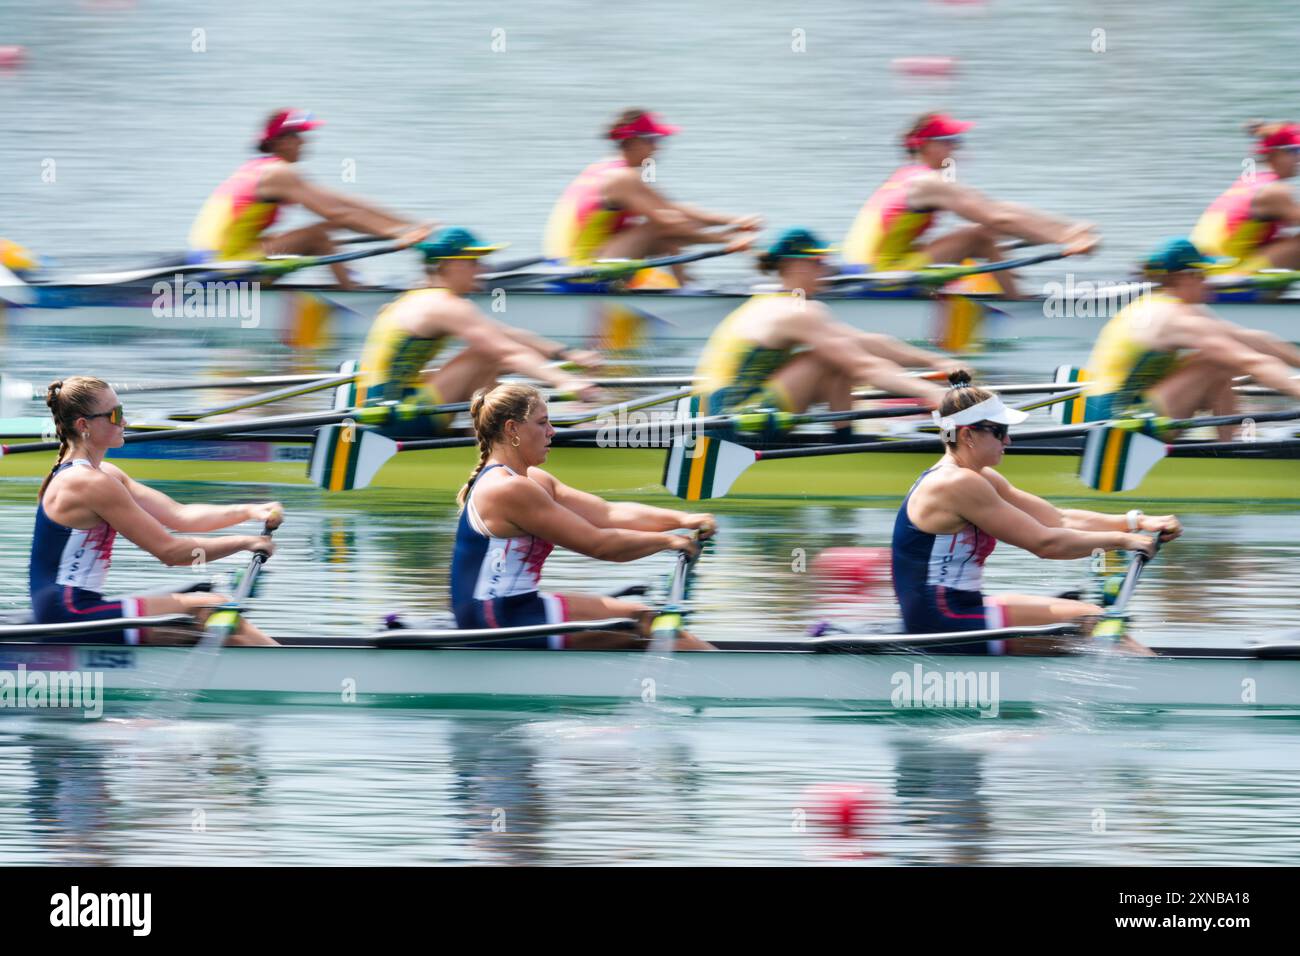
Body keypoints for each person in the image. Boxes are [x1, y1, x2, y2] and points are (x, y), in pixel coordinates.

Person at [891, 371, 1182, 655]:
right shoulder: (955, 483)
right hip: (940, 620)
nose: (1008, 441)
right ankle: (1154, 685)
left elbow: (1057, 519)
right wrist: (1123, 542)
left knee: (1094, 620)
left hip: (962, 606)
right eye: (1000, 432)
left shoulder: (980, 476)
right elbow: (1045, 543)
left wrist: (1135, 523)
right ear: (968, 435)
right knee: (1096, 622)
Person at [451, 383, 715, 649]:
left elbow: (607, 513)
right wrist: (669, 542)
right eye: (542, 423)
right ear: (512, 429)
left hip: (517, 605)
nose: (552, 432)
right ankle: (726, 682)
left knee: (644, 618)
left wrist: (683, 520)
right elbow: (599, 545)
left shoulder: (532, 480)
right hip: (494, 620)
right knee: (644, 626)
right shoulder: (508, 489)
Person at [31, 377, 280, 646]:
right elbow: (171, 553)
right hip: (67, 612)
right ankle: (290, 672)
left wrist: (250, 511)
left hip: (78, 605)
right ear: (84, 425)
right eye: (116, 414)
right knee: (211, 608)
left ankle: (280, 668)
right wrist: (246, 542)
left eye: (122, 411)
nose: (124, 422)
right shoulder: (88, 483)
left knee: (216, 611)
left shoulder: (105, 474)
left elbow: (179, 515)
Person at [694, 228, 961, 438]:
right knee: (832, 359)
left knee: (835, 352)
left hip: (715, 414)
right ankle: (845, 444)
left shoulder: (777, 303)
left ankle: (845, 439)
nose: (827, 269)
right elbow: (864, 366)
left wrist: (936, 362)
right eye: (819, 261)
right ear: (797, 265)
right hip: (732, 425)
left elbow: (866, 342)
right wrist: (933, 393)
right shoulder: (798, 311)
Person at [356, 227, 602, 436]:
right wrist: (566, 382)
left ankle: (490, 433)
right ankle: (493, 438)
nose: (481, 269)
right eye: (472, 261)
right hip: (398, 418)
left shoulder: (420, 297)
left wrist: (568, 354)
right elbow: (506, 351)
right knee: (486, 355)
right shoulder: (445, 305)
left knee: (491, 354)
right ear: (446, 265)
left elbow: (506, 334)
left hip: (385, 409)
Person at [841, 112, 1099, 295]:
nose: (956, 148)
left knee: (985, 236)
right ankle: (1018, 304)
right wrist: (1067, 237)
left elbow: (999, 213)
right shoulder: (928, 183)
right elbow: (998, 216)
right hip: (879, 278)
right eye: (950, 142)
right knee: (979, 237)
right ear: (927, 146)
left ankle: (1012, 294)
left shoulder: (902, 178)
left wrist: (1066, 228)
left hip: (857, 269)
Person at [1083, 238, 1300, 439]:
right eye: (1204, 274)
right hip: (1117, 423)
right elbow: (1252, 361)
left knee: (1216, 359)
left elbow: (1250, 339)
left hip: (1114, 410)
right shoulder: (1174, 318)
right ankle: (1235, 449)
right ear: (1184, 277)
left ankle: (1232, 441)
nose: (1209, 282)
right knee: (1218, 362)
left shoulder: (1163, 305)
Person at [187, 109, 430, 287]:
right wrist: (402, 233)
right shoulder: (279, 173)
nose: (305, 141)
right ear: (279, 142)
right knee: (318, 236)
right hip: (223, 271)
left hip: (208, 261)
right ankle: (356, 295)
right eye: (297, 136)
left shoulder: (256, 169)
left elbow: (346, 206)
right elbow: (340, 212)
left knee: (325, 228)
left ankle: (352, 286)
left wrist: (410, 227)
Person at [542, 108, 761, 284]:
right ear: (633, 141)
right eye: (654, 140)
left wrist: (734, 221)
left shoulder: (609, 169)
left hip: (567, 264)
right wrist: (728, 240)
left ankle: (686, 289)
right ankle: (685, 295)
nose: (658, 149)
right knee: (660, 227)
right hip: (578, 272)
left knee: (666, 231)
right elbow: (668, 221)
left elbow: (674, 208)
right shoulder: (621, 179)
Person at [1191, 121, 1300, 273]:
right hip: (1224, 273)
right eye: (1295, 151)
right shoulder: (1274, 192)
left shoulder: (1248, 183)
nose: (1298, 159)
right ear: (1275, 153)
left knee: (1282, 240)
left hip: (1206, 268)